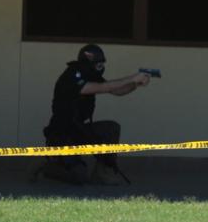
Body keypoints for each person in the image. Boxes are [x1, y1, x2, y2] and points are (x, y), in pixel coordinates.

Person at [40, 44, 150, 185]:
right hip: (62, 134)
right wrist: (132, 78)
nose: (101, 68)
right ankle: (45, 165)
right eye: (98, 65)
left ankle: (102, 173)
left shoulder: (90, 75)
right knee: (79, 176)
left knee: (111, 128)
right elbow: (104, 87)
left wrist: (137, 84)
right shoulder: (72, 75)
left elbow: (117, 91)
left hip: (79, 129)